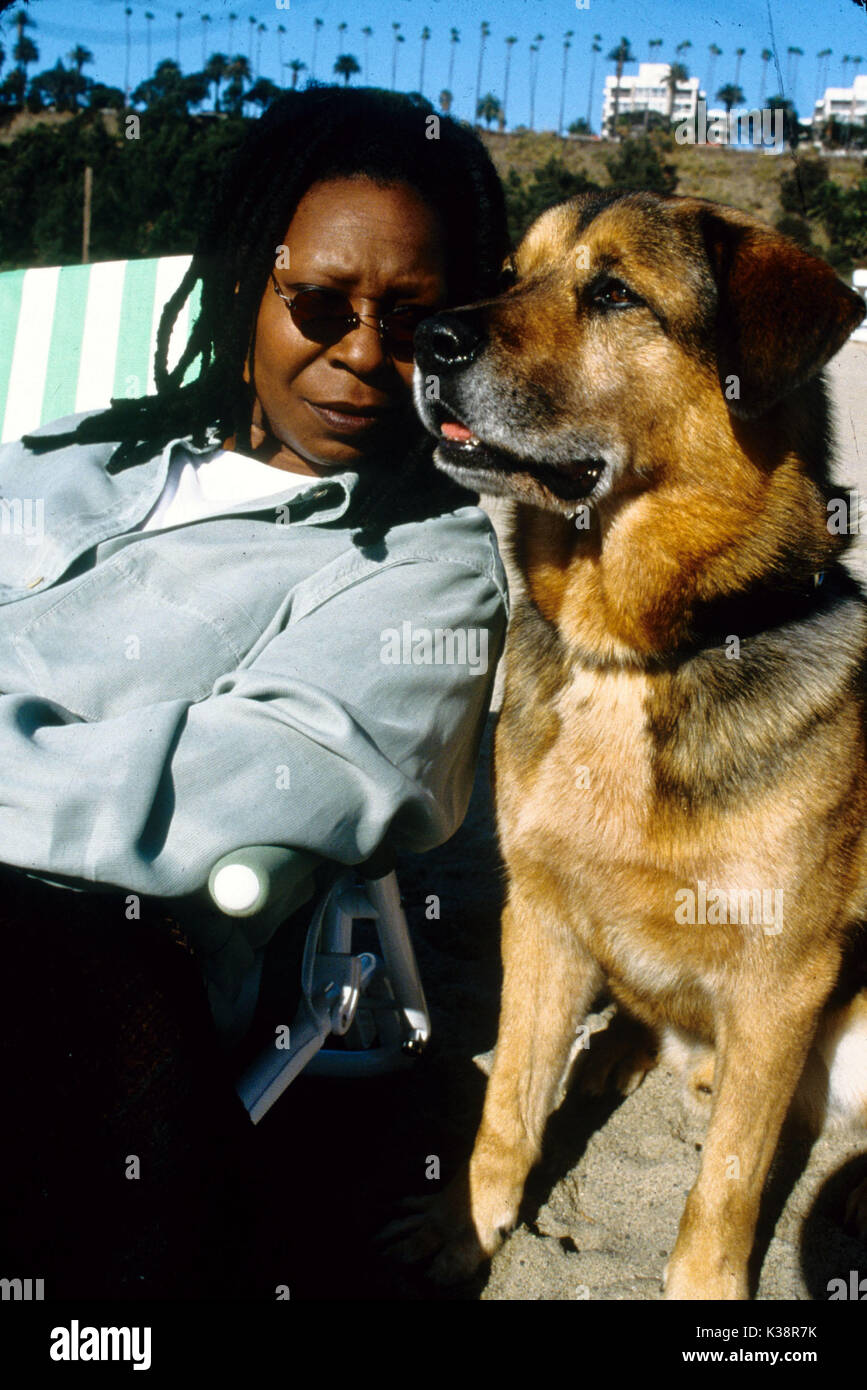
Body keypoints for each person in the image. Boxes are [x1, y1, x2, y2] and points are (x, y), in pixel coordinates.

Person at [0, 86, 510, 1297]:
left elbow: (254, 774)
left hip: (71, 949)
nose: (363, 354)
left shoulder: (423, 570)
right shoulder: (70, 454)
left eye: (414, 321)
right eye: (321, 305)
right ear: (244, 287)